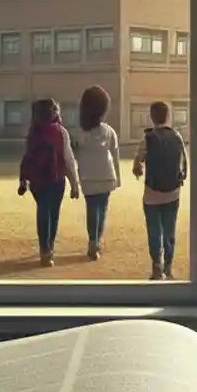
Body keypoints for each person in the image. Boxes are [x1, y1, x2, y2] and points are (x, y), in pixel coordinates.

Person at [17, 99, 79, 267]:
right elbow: (68, 160)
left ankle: (44, 249)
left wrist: (23, 179)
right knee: (53, 213)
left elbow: (27, 157)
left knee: (43, 211)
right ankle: (49, 247)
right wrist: (75, 183)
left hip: (37, 181)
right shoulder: (61, 132)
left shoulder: (33, 132)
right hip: (57, 179)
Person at [132, 101, 187, 280]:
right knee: (170, 230)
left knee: (154, 230)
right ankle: (169, 267)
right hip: (173, 192)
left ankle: (157, 265)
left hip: (152, 194)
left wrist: (138, 169)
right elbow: (184, 162)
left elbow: (137, 162)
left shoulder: (147, 138)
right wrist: (181, 178)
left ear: (152, 117)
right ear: (168, 116)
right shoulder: (177, 136)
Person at [70, 85, 122, 261]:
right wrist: (118, 179)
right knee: (102, 210)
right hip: (107, 176)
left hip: (87, 178)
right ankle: (96, 241)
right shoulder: (108, 131)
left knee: (92, 210)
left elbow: (73, 156)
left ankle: (93, 241)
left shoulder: (79, 134)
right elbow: (115, 155)